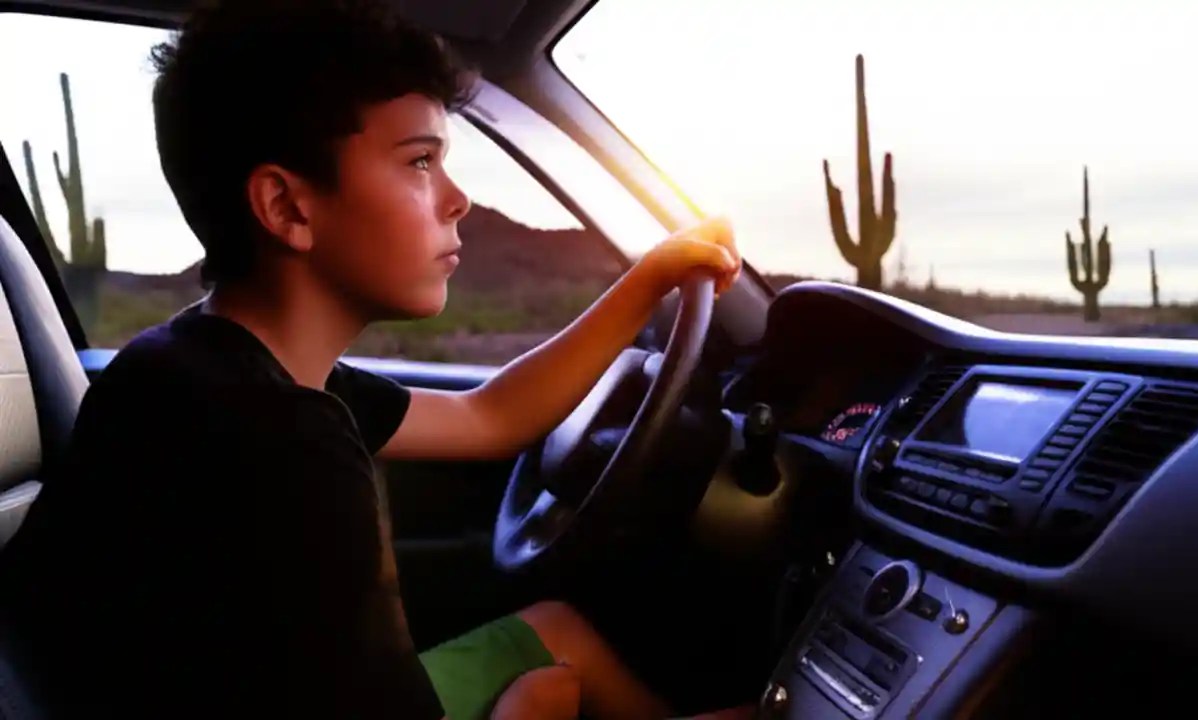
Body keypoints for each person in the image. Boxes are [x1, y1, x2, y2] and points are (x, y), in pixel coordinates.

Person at [0, 0, 751, 718]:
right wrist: (527, 708)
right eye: (420, 161)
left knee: (557, 632)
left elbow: (489, 416)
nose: (457, 199)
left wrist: (651, 277)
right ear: (287, 208)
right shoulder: (285, 447)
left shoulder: (210, 362)